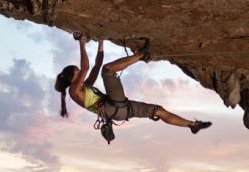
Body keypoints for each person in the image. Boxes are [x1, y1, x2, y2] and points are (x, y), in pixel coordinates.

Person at [54, 34, 212, 144]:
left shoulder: (85, 87)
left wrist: (101, 42)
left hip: (119, 111)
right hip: (113, 106)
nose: (79, 73)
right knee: (107, 70)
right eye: (76, 72)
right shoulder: (74, 92)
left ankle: (192, 125)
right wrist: (81, 44)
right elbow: (86, 67)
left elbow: (96, 64)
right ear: (70, 78)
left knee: (158, 110)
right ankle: (141, 55)